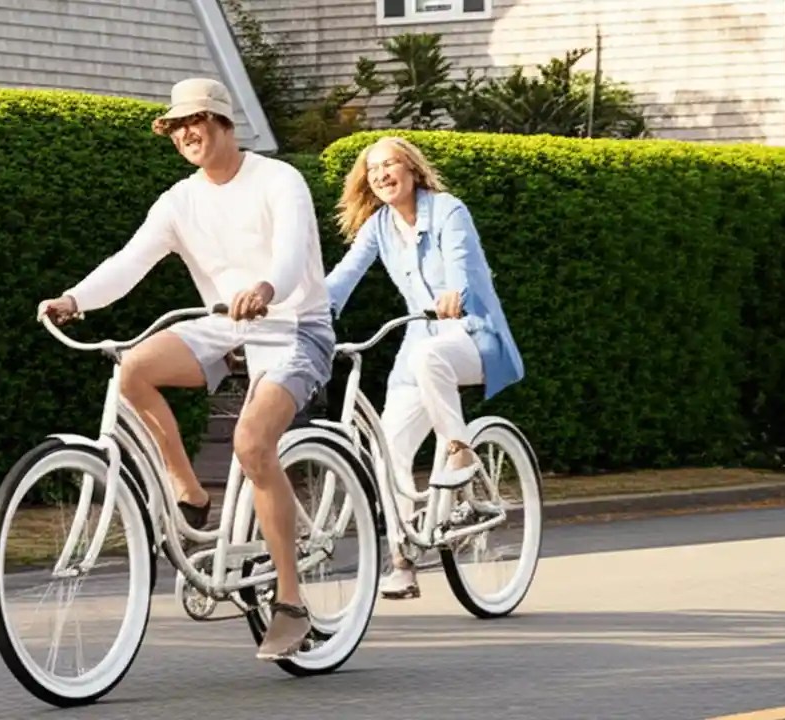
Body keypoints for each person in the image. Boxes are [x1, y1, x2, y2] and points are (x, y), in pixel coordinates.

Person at [39, 78, 335, 660]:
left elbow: (292, 253)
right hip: (225, 323)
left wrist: (267, 287)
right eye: (175, 127)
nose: (184, 134)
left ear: (224, 122)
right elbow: (130, 261)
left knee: (252, 446)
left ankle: (292, 605)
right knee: (133, 371)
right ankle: (190, 491)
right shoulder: (180, 201)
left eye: (194, 121)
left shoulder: (279, 180)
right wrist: (75, 298)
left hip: (293, 324)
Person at [324, 136, 524, 600]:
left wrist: (455, 291)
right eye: (373, 169)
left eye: (390, 164)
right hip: (420, 348)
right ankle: (402, 560)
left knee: (430, 357)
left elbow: (460, 261)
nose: (381, 174)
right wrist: (311, 309)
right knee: (386, 451)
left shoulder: (448, 210)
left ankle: (460, 452)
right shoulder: (378, 225)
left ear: (412, 170)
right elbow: (345, 275)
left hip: (472, 335)